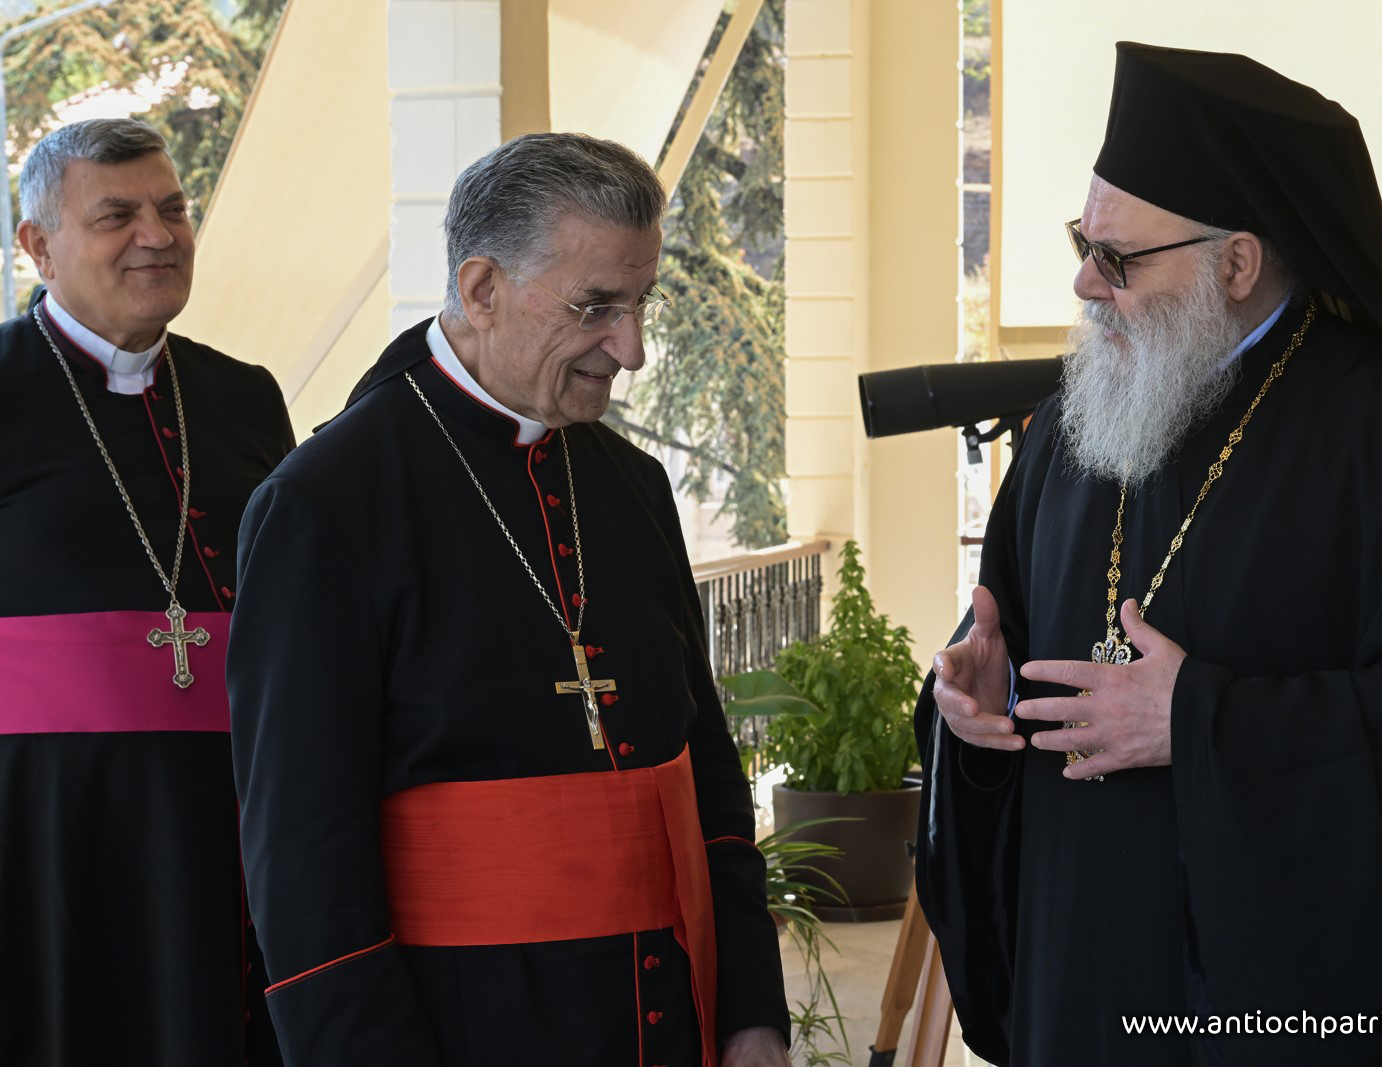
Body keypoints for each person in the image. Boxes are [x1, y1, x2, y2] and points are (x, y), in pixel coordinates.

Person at [918, 43, 1382, 1066]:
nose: (1082, 281)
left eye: (1116, 257)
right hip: (1078, 971)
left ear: (1238, 262)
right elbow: (1015, 631)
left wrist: (1203, 721)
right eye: (1084, 239)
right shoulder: (1071, 427)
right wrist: (973, 691)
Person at [227, 132, 790, 1066]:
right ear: (482, 289)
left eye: (641, 301)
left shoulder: (632, 484)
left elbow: (709, 777)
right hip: (465, 1027)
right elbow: (304, 873)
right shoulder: (325, 505)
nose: (633, 349)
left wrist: (750, 1014)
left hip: (668, 1014)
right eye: (596, 307)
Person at [0, 118, 293, 1064]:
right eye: (116, 214)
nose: (158, 235)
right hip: (46, 830)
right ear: (38, 246)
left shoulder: (244, 396)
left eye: (172, 209)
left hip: (238, 815)